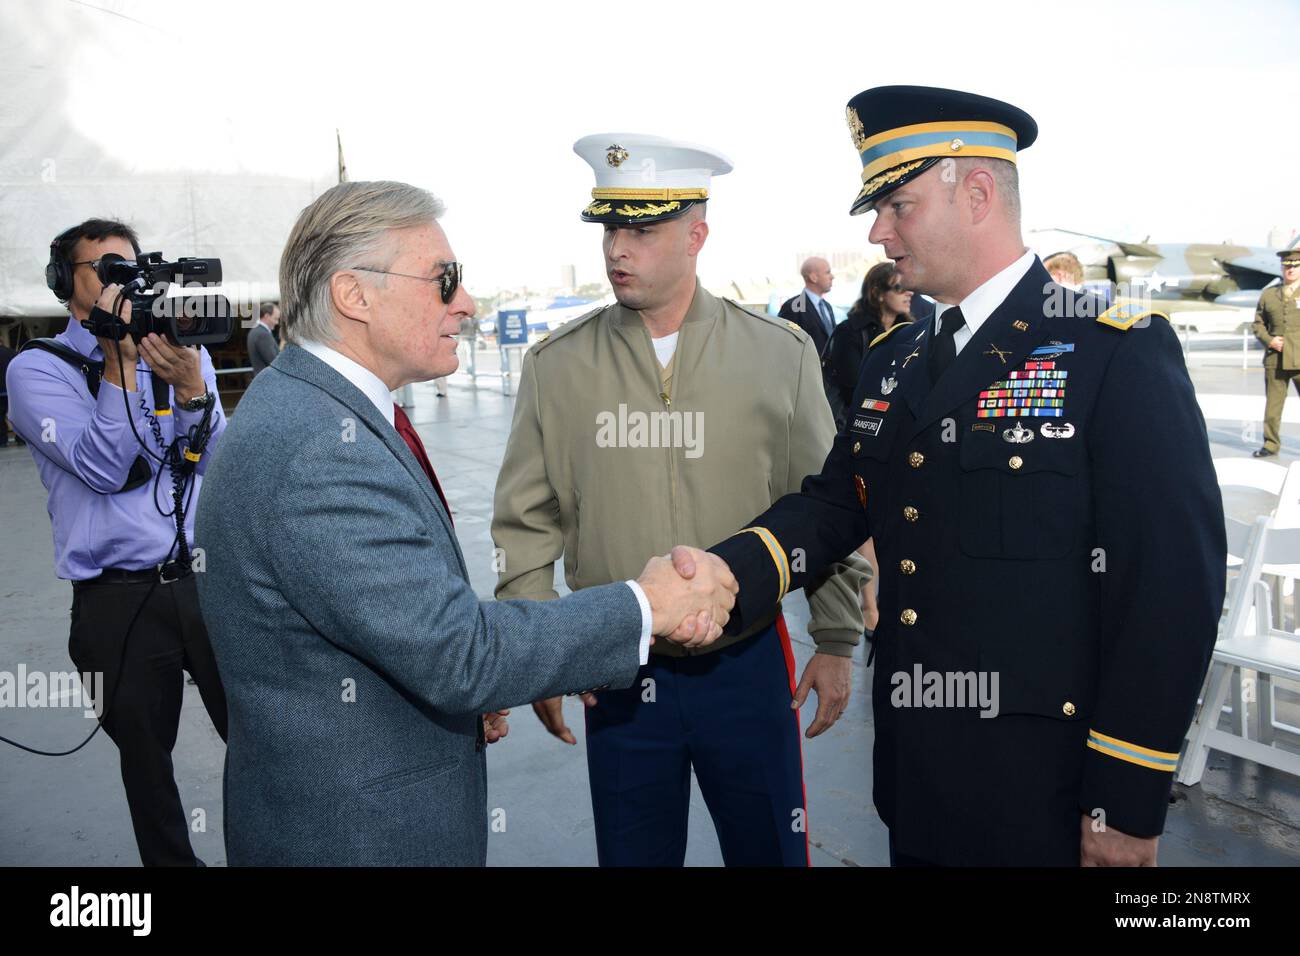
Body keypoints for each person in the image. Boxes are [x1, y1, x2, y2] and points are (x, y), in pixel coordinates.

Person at [698, 85, 1225, 866]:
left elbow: (1170, 585)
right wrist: (718, 574)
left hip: (1044, 791)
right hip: (919, 776)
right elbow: (834, 506)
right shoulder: (894, 359)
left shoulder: (1112, 350)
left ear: (977, 194)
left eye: (897, 207)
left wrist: (1124, 795)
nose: (878, 234)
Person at [194, 180, 736, 866]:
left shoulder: (316, 410)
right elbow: (461, 656)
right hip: (360, 840)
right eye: (443, 280)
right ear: (353, 296)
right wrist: (648, 605)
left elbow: (394, 627)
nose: (467, 304)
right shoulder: (320, 451)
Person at [492, 134, 868, 867]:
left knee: (772, 853)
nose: (616, 250)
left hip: (749, 667)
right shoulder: (555, 366)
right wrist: (545, 651)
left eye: (641, 228)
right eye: (609, 229)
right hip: (617, 674)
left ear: (697, 235)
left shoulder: (779, 354)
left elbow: (825, 506)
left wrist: (836, 638)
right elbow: (524, 523)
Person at [5, 218, 230, 866]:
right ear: (63, 283)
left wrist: (191, 391)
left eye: (131, 269)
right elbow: (104, 468)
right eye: (105, 270)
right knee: (148, 769)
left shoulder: (182, 353)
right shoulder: (37, 370)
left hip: (204, 580)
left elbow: (216, 460)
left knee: (257, 736)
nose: (123, 283)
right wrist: (118, 362)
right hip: (115, 601)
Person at [823, 260, 913, 427]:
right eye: (900, 288)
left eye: (909, 287)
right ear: (878, 293)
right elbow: (853, 389)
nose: (909, 293)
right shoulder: (850, 331)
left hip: (897, 425)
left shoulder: (911, 331)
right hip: (858, 425)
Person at [1250, 249, 1300, 458]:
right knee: (1273, 406)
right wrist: (1270, 340)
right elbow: (1258, 324)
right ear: (1282, 267)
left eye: (1295, 266)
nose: (1291, 269)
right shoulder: (1269, 294)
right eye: (1287, 266)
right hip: (1275, 359)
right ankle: (1270, 444)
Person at [778, 256, 836, 354]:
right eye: (827, 272)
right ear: (813, 277)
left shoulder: (827, 306)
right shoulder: (793, 307)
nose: (832, 277)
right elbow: (786, 344)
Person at [247, 301, 281, 375]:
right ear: (266, 316)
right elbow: (274, 362)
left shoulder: (255, 331)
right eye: (275, 319)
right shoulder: (262, 334)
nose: (277, 322)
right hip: (269, 381)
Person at [0, 342, 23, 446]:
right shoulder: (12, 353)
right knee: (17, 416)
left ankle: (2, 440)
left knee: (0, 418)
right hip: (12, 390)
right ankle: (21, 439)